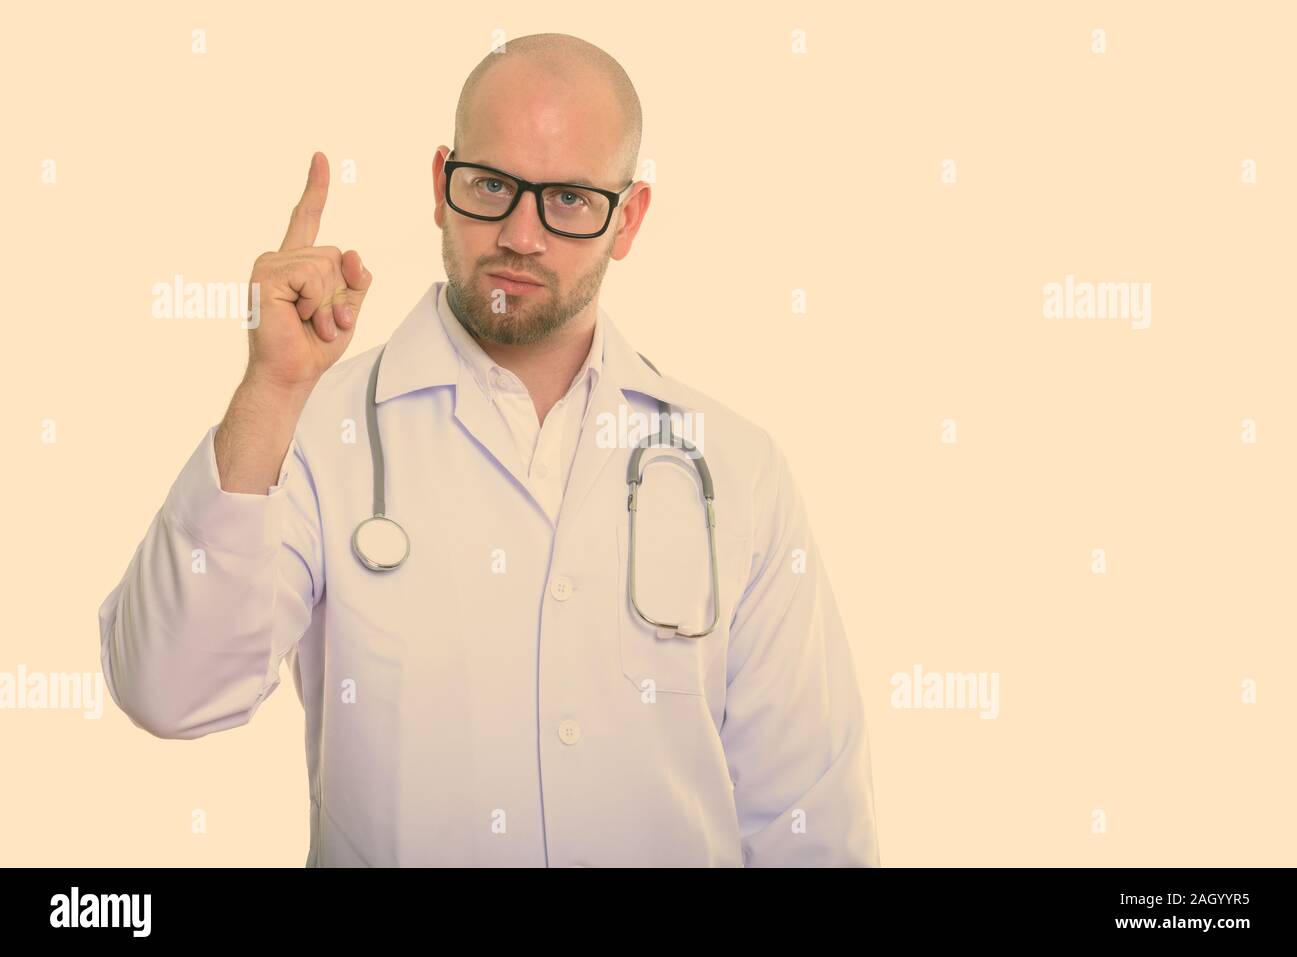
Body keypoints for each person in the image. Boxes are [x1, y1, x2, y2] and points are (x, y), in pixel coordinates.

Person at [97, 32, 881, 867]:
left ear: (630, 218)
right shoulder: (316, 430)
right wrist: (270, 392)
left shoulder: (735, 466)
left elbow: (810, 811)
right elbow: (167, 690)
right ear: (441, 184)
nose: (520, 234)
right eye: (492, 185)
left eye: (570, 199)